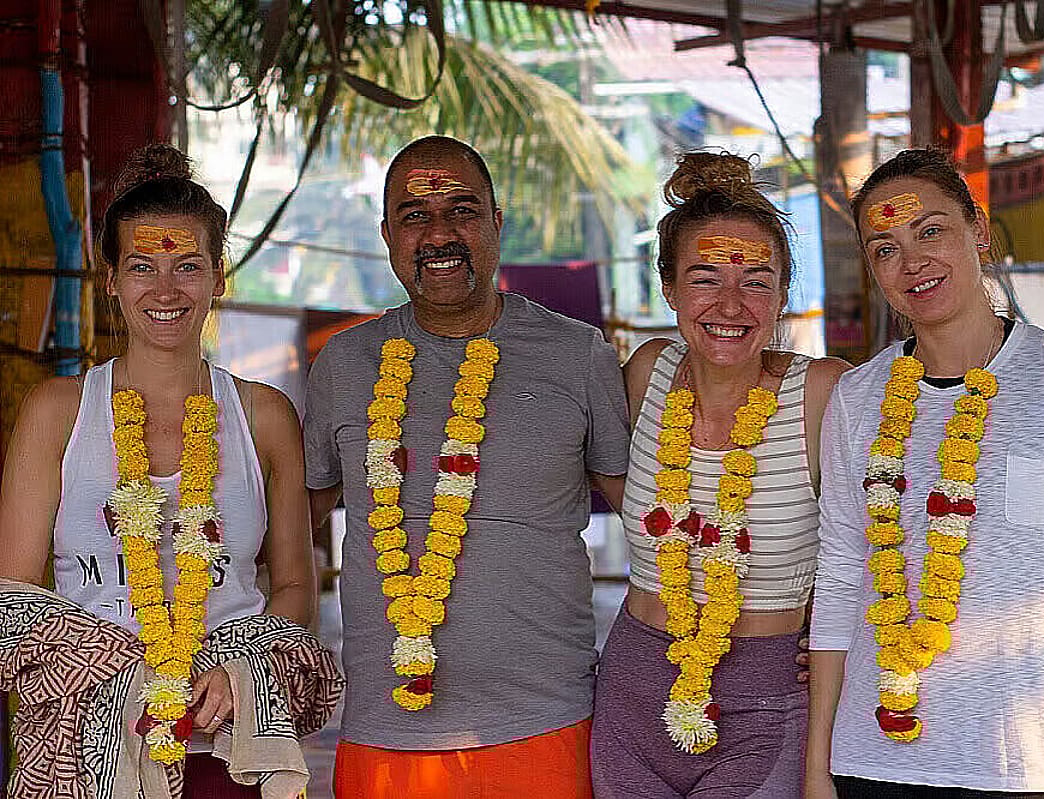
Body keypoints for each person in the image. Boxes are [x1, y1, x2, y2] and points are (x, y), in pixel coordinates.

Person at [807, 147, 1044, 799]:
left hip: (1033, 763)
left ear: (980, 231)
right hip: (874, 761)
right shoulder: (857, 399)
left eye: (930, 230)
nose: (912, 262)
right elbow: (841, 575)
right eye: (884, 248)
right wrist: (818, 766)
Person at [0, 144, 341, 798]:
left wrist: (243, 663)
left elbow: (297, 582)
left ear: (218, 275)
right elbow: (13, 599)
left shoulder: (263, 415)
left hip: (231, 744)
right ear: (111, 279)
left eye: (187, 266)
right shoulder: (56, 411)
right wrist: (117, 671)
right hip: (92, 747)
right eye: (141, 267)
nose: (164, 290)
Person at [304, 135, 629, 798]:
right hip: (387, 734)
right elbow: (285, 533)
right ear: (388, 233)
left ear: (497, 221)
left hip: (548, 724)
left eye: (462, 209)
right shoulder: (343, 364)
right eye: (415, 215)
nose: (440, 233)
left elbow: (653, 531)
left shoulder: (578, 353)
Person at [590, 152, 851, 798]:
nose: (731, 304)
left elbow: (914, 478)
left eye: (757, 281)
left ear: (785, 293)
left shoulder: (823, 392)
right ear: (671, 289)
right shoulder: (647, 372)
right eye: (705, 278)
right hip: (630, 695)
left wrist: (1034, 357)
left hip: (764, 705)